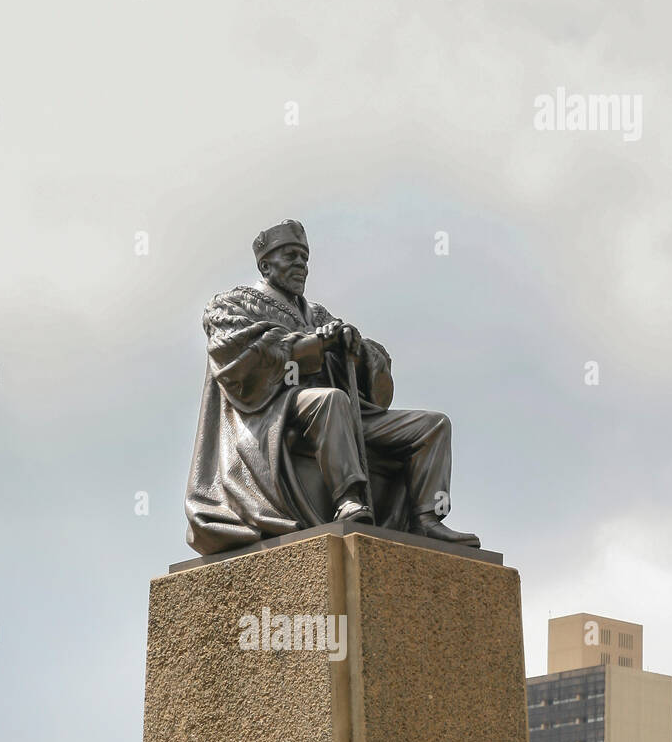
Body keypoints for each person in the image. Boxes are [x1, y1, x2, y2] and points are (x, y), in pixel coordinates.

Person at [185, 219, 480, 554]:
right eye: (291, 256)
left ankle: (428, 517)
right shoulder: (231, 304)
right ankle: (348, 500)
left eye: (304, 258)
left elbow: (372, 373)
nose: (301, 264)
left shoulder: (318, 313)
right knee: (330, 401)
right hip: (273, 413)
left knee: (432, 425)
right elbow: (243, 355)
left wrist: (355, 351)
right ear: (265, 265)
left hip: (338, 417)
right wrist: (311, 345)